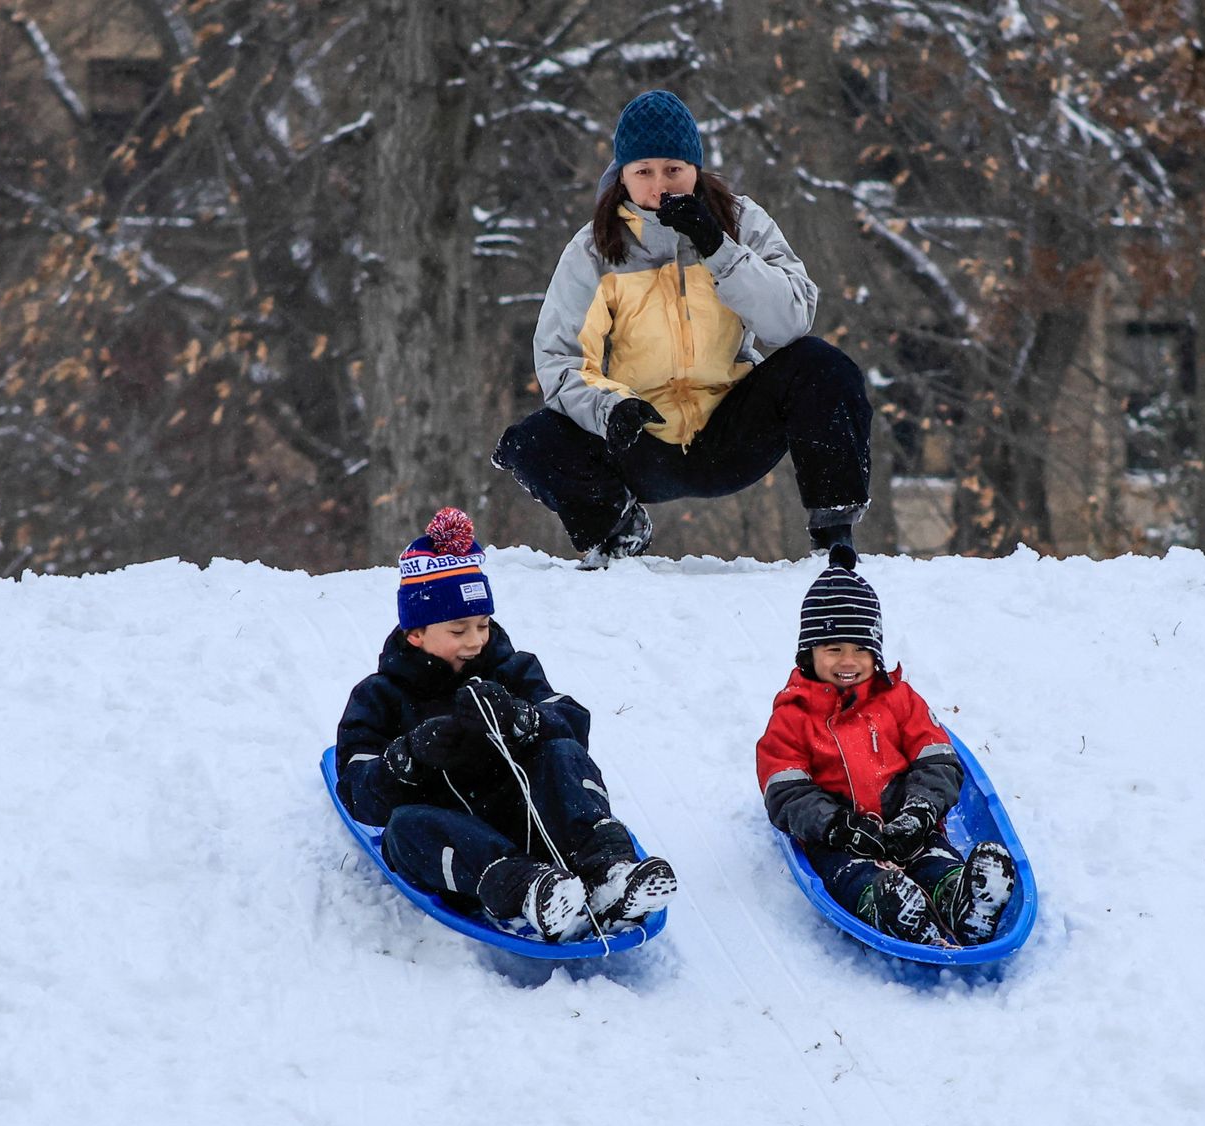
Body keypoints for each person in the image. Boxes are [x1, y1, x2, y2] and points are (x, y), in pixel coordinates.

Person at [492, 88, 873, 569]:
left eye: (673, 170)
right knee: (531, 440)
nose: (660, 187)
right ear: (622, 177)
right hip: (641, 438)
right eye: (643, 172)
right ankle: (616, 527)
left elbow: (791, 320)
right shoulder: (593, 248)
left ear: (695, 169)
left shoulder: (743, 221)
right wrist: (611, 408)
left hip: (730, 434)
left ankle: (834, 534)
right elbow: (561, 361)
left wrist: (718, 248)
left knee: (823, 365)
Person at [335, 507, 677, 941]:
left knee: (563, 753)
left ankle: (610, 874)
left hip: (527, 813)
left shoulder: (511, 668)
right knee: (404, 829)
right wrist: (409, 757)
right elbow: (356, 790)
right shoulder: (379, 696)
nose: (476, 640)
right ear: (415, 633)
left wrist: (525, 720)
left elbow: (572, 723)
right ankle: (531, 892)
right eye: (458, 631)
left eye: (482, 625)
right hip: (461, 835)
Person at [754, 562, 1017, 946]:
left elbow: (938, 760)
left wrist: (920, 812)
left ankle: (961, 899)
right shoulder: (792, 717)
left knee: (935, 859)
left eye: (861, 648)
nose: (848, 661)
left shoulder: (900, 700)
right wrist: (837, 826)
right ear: (809, 653)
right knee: (853, 875)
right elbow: (786, 792)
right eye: (834, 649)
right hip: (840, 839)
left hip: (908, 825)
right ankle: (889, 907)